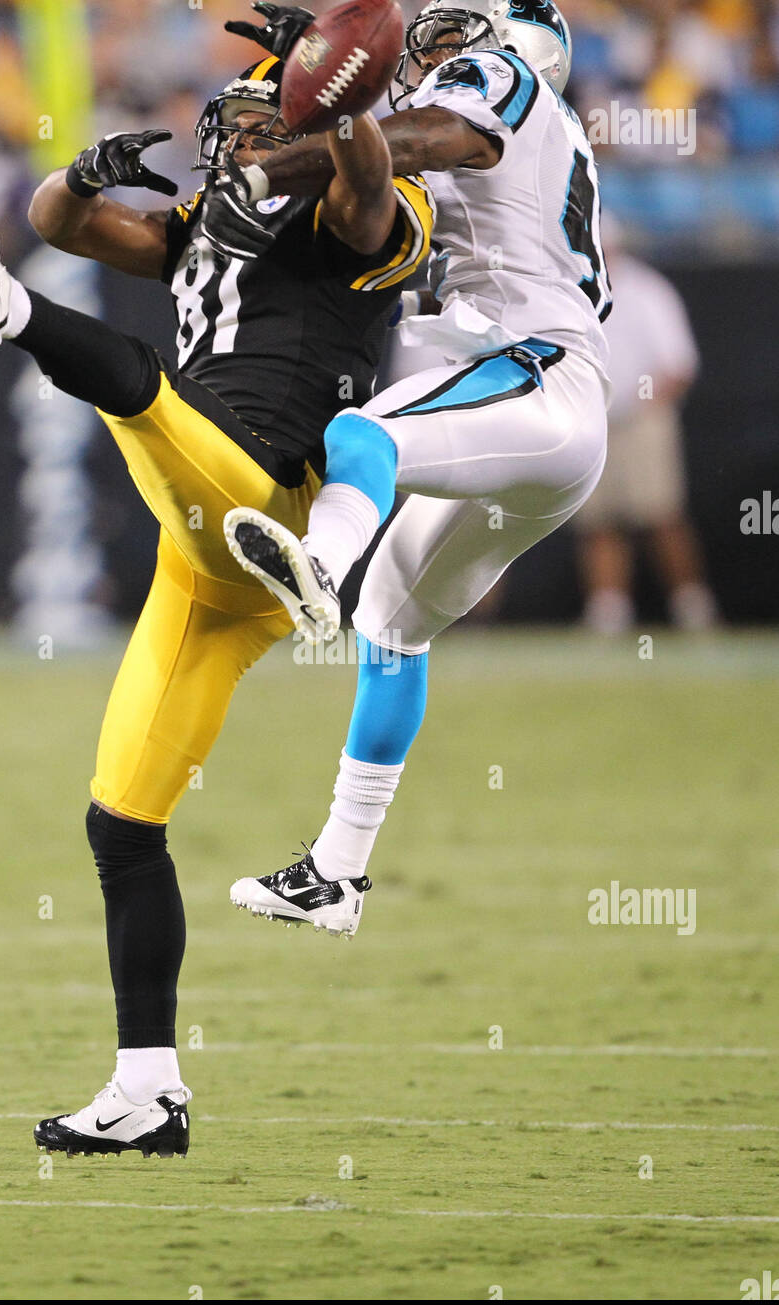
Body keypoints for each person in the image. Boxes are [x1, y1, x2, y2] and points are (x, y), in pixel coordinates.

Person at [0, 13, 433, 1155]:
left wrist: (335, 91)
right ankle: (148, 1089)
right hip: (202, 555)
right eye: (230, 123)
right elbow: (66, 222)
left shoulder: (336, 214)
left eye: (258, 120)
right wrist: (74, 173)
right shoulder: (199, 228)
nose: (233, 141)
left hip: (274, 504)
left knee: (145, 390)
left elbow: (366, 185)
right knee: (120, 824)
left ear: (293, 125)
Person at [207, 0, 613, 939]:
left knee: (363, 439)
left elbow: (433, 137)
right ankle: (334, 876)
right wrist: (322, 90)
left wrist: (271, 160)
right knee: (390, 622)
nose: (428, 44)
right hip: (538, 413)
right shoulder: (533, 126)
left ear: (513, 41)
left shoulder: (503, 81)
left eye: (451, 28)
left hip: (537, 372)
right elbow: (381, 157)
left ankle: (317, 560)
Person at [573, 218, 715, 634]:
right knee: (599, 521)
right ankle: (608, 612)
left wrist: (640, 405)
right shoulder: (573, 294)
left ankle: (692, 606)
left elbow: (678, 365)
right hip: (591, 422)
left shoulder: (649, 291)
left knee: (660, 514)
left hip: (642, 422)